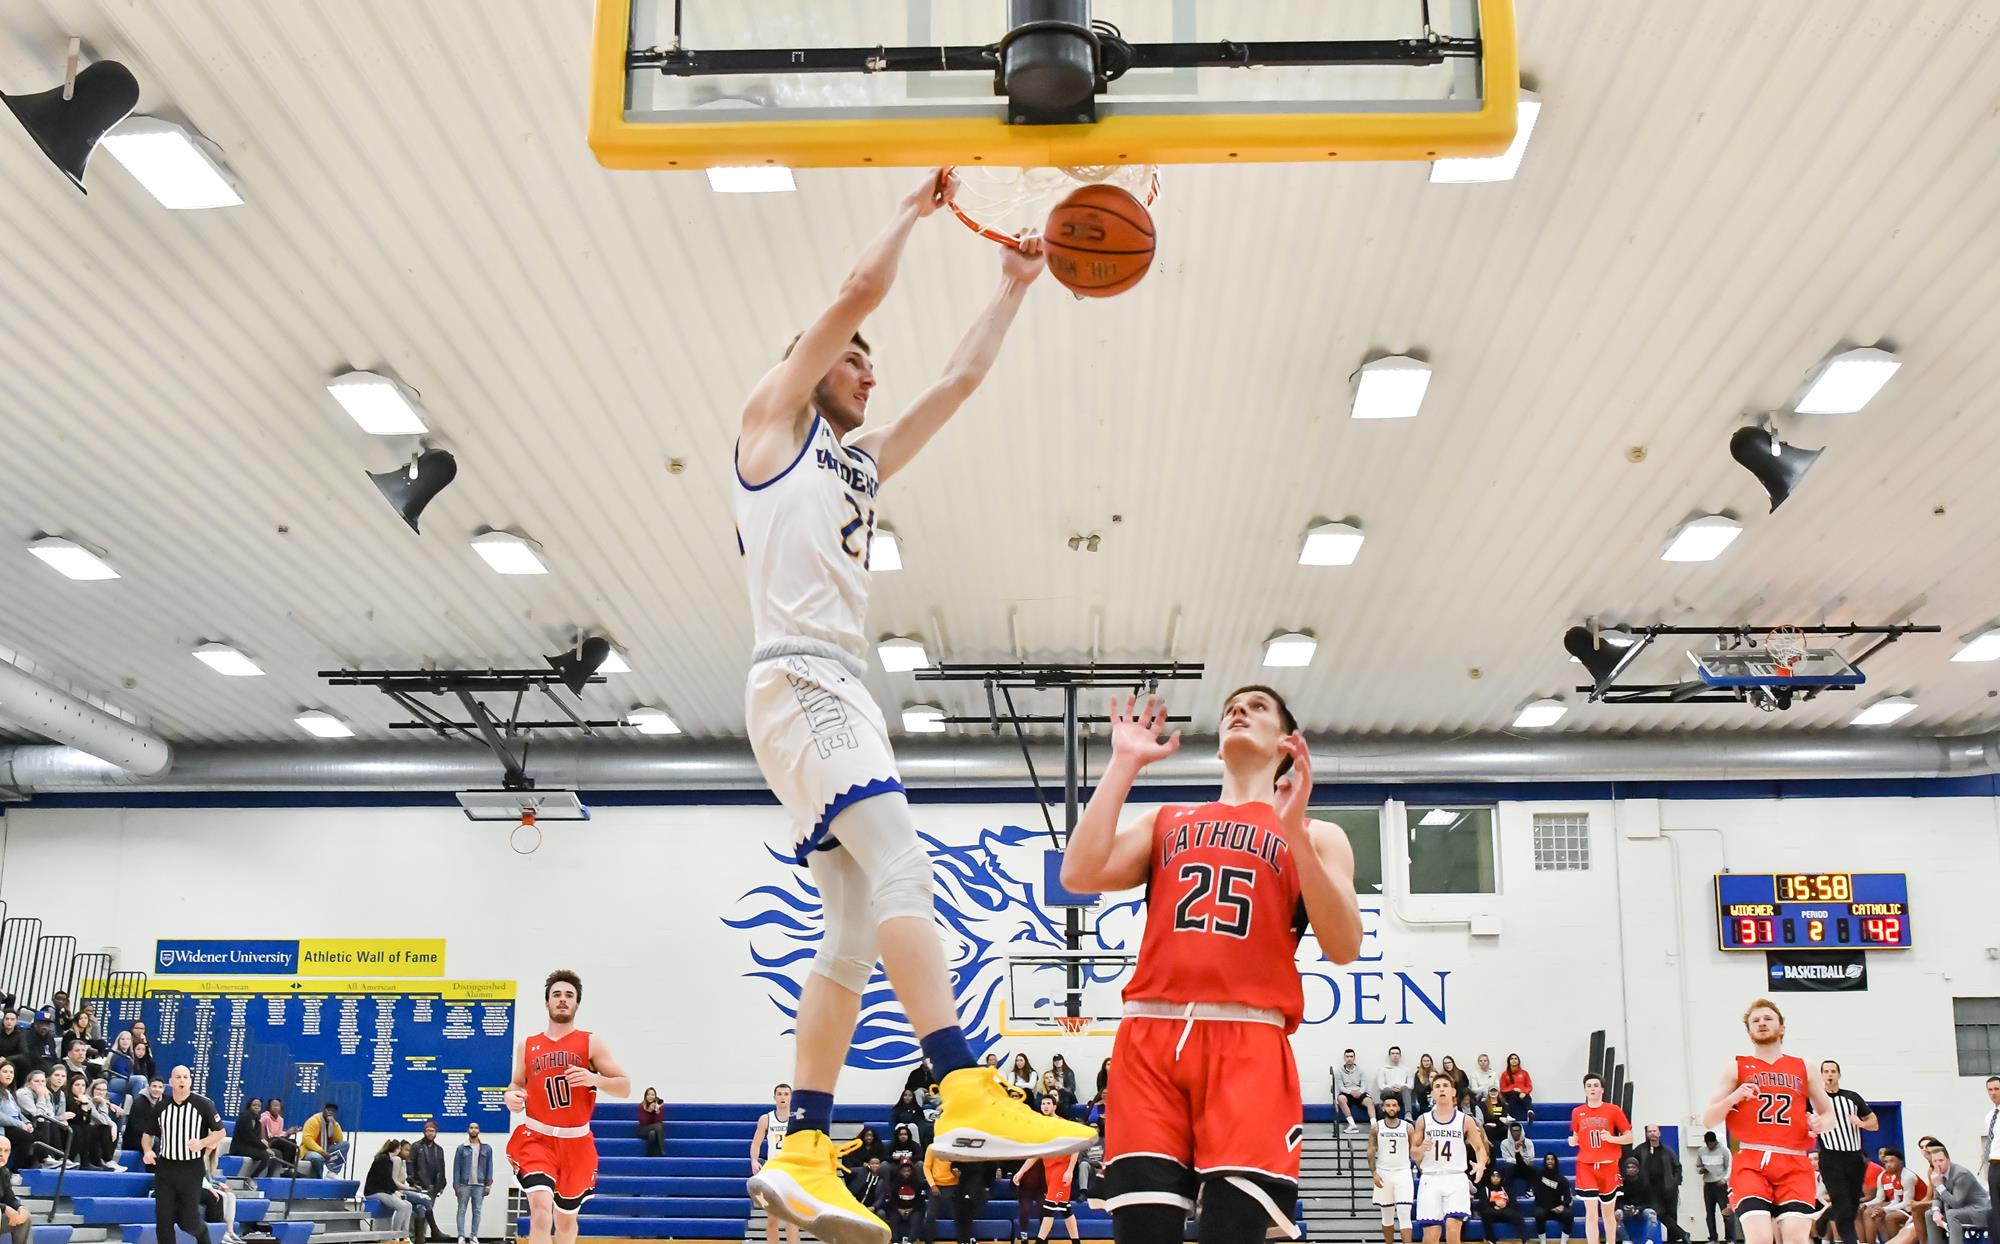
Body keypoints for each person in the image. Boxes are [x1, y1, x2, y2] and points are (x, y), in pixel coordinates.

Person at [734, 169, 1076, 1244]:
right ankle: (963, 1082)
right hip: (797, 672)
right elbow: (851, 292)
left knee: (845, 931)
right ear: (808, 364)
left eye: (869, 368)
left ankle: (802, 1144)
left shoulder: (858, 462)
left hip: (834, 684)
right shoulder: (768, 427)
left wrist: (1014, 287)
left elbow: (956, 382)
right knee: (900, 858)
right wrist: (906, 215)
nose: (868, 376)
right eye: (852, 359)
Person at [1062, 689, 1364, 1244]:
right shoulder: (1168, 819)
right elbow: (1078, 874)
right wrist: (1124, 763)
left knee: (1231, 1231)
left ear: (1287, 742)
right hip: (1150, 1036)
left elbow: (1344, 945)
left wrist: (1293, 833)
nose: (1238, 711)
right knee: (1143, 1232)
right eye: (1230, 707)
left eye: (1257, 706)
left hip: (1249, 1041)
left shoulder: (1319, 834)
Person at [505, 970, 630, 1244]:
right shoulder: (528, 1044)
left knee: (565, 1222)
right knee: (540, 1213)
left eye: (569, 995)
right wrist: (511, 1095)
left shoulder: (590, 1042)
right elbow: (516, 1083)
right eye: (557, 995)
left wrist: (594, 1078)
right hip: (536, 1138)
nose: (562, 1000)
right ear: (547, 1002)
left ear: (577, 1003)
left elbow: (625, 1086)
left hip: (576, 1143)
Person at [1701, 998, 1839, 1244]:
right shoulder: (1736, 1067)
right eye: (1755, 1020)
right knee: (1761, 1238)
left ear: (1782, 1027)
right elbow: (1708, 1119)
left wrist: (1820, 1123)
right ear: (1749, 1031)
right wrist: (1735, 1096)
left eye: (1767, 1019)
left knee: (1796, 1239)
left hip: (1794, 1161)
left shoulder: (1804, 1066)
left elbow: (1829, 1116)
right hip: (1753, 1160)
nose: (1762, 1023)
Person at [141, 1066, 226, 1244]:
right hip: (165, 1168)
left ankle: (203, 1234)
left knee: (188, 1221)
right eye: (178, 1077)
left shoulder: (204, 1104)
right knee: (163, 1220)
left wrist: (201, 1143)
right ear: (171, 1082)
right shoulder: (161, 1107)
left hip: (191, 1169)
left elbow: (220, 1132)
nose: (182, 1080)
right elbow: (147, 1135)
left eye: (186, 1077)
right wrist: (148, 1150)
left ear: (190, 1081)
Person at [1416, 1073, 1490, 1244]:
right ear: (1432, 1094)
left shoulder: (1465, 1120)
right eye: (1437, 1086)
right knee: (1431, 1234)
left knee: (1453, 1227)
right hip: (1431, 1177)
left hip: (1455, 1177)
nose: (1441, 1089)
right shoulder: (1423, 1120)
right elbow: (1413, 1151)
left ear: (1453, 1092)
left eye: (1445, 1086)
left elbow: (1480, 1147)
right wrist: (1420, 1149)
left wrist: (1480, 1164)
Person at [1571, 1073, 1637, 1244]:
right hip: (1586, 1166)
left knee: (1608, 1213)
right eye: (1589, 1086)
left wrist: (1612, 1139)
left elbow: (1629, 1137)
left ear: (1602, 1089)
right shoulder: (1578, 1112)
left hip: (1609, 1166)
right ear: (1585, 1090)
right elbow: (1576, 1136)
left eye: (1595, 1085)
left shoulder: (1613, 1110)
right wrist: (1573, 1140)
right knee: (1591, 1213)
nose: (1592, 1088)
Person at [1815, 1062, 1876, 1244]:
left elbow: (1875, 1122)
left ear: (1839, 1075)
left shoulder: (1852, 1097)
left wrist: (1861, 1123)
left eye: (1833, 1071)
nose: (1830, 1074)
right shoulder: (1815, 1099)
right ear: (1821, 1076)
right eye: (1826, 1071)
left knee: (1852, 1204)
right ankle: (1851, 1240)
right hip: (1830, 1157)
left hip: (1854, 1158)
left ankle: (1826, 1216)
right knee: (1842, 1205)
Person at [1014, 1103, 1080, 1244]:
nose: (1045, 1106)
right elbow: (1035, 1155)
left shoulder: (1063, 1124)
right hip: (1049, 1172)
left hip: (1061, 1171)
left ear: (1054, 1107)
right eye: (1043, 1103)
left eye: (1048, 1103)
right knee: (1065, 1208)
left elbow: (1076, 1146)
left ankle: (1040, 1241)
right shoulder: (1042, 1129)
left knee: (1049, 1209)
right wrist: (1021, 1171)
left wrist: (1070, 1170)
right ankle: (1076, 1242)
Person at [752, 1086, 802, 1244]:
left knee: (792, 1219)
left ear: (791, 1098)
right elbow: (756, 1143)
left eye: (786, 1094)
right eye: (779, 1094)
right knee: (773, 1219)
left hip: (792, 1172)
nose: (783, 1097)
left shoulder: (799, 1119)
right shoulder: (765, 1119)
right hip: (773, 1172)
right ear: (774, 1097)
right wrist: (754, 1160)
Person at [1371, 1094, 1417, 1244]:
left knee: (1404, 1212)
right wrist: (1374, 1173)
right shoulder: (1376, 1127)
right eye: (1388, 1105)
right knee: (1387, 1215)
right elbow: (1370, 1151)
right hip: (1384, 1172)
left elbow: (1415, 1150)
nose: (1391, 1108)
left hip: (1403, 1172)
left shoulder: (1408, 1127)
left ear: (1399, 1107)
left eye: (1394, 1105)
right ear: (1383, 1108)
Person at [1924, 1145, 1989, 1244]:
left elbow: (1956, 1203)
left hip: (1979, 1211)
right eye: (1935, 1161)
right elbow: (1937, 1198)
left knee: (1952, 1214)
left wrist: (1939, 1185)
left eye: (1941, 1160)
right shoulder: (1937, 1175)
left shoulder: (1961, 1174)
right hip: (1961, 1210)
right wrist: (1936, 1211)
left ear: (1948, 1160)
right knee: (1930, 1214)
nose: (1938, 1165)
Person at [1640, 1125, 1691, 1244]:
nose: (1652, 1133)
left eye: (1654, 1131)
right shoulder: (1641, 1150)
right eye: (1649, 1131)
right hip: (1651, 1190)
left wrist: (1675, 1182)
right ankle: (1683, 1234)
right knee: (1660, 1213)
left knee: (1672, 1216)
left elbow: (1678, 1167)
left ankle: (1673, 1240)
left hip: (1669, 1189)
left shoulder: (1668, 1151)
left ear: (1659, 1133)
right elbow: (1632, 1165)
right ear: (1646, 1134)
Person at [1864, 1148, 1923, 1244]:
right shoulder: (1895, 1177)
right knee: (1878, 1214)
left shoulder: (1907, 1177)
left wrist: (1885, 1209)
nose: (1888, 1165)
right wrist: (1882, 1209)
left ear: (1900, 1162)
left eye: (1892, 1161)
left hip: (1919, 1207)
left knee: (1890, 1217)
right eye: (1886, 1162)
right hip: (1908, 1207)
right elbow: (1896, 1200)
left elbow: (1907, 1203)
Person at [367, 1138, 415, 1239]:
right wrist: (394, 1192)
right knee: (401, 1206)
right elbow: (385, 1180)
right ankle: (395, 1235)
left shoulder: (387, 1159)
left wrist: (394, 1192)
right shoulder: (384, 1160)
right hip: (374, 1191)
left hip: (382, 1190)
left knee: (408, 1205)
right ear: (397, 1149)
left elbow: (387, 1181)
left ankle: (404, 1235)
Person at [454, 1122, 494, 1244]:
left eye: (476, 1128)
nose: (473, 1130)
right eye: (471, 1128)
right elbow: (456, 1168)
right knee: (461, 1210)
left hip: (480, 1185)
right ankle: (461, 1235)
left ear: (479, 1130)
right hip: (464, 1184)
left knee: (477, 1210)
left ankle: (473, 1236)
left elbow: (489, 1167)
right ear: (468, 1130)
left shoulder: (487, 1148)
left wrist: (488, 1184)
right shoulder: (461, 1148)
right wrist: (456, 1186)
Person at [392, 1140, 436, 1244]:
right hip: (397, 1192)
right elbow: (394, 1182)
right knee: (426, 1199)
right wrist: (410, 1189)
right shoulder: (396, 1160)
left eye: (410, 1150)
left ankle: (418, 1240)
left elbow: (403, 1179)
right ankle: (435, 1230)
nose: (409, 1152)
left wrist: (413, 1185)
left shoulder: (403, 1162)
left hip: (403, 1190)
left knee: (421, 1208)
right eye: (406, 1150)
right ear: (399, 1149)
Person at [879, 1154, 927, 1244]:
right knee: (893, 1217)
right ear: (900, 1171)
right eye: (904, 1171)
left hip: (913, 1209)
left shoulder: (918, 1183)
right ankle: (895, 1240)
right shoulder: (894, 1183)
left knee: (917, 1217)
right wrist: (899, 1209)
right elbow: (892, 1200)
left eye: (908, 1171)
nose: (906, 1173)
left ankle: (910, 1241)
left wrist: (911, 1210)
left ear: (912, 1171)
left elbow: (920, 1201)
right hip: (898, 1209)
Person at [412, 1120, 448, 1240]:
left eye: (432, 1131)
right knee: (418, 1213)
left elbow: (442, 1168)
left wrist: (442, 1185)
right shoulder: (416, 1146)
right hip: (419, 1186)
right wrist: (412, 1182)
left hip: (433, 1187)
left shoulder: (439, 1149)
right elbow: (410, 1165)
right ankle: (414, 1238)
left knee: (428, 1214)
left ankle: (422, 1239)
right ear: (424, 1132)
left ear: (436, 1133)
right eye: (428, 1131)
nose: (430, 1133)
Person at [1698, 1132, 1734, 1243]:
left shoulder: (1724, 1150)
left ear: (1715, 1141)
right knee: (1709, 1213)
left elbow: (1729, 1167)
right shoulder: (1701, 1151)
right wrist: (1702, 1170)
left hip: (1721, 1185)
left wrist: (1724, 1179)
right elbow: (1698, 1167)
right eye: (1708, 1144)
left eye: (1712, 1144)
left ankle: (1730, 1239)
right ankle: (1713, 1238)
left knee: (1726, 1213)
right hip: (1708, 1185)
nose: (1710, 1146)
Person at [1478, 1167, 1532, 1241]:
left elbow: (1513, 1202)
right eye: (1493, 1176)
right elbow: (1483, 1204)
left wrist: (1505, 1205)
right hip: (1492, 1212)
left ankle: (1524, 1239)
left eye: (1498, 1177)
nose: (1495, 1178)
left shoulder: (1507, 1189)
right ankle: (1491, 1240)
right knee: (1485, 1213)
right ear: (1490, 1177)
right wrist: (1494, 1206)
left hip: (1505, 1211)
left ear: (1501, 1178)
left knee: (1517, 1214)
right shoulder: (1485, 1190)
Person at [1978, 1076, 2000, 1244]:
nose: (1993, 1093)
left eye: (1997, 1089)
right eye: (1990, 1090)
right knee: (1996, 1209)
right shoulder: (1989, 1116)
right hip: (1994, 1164)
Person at [1533, 1154, 1574, 1241]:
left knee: (1569, 1214)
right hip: (1544, 1208)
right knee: (1538, 1213)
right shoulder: (1539, 1175)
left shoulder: (1562, 1180)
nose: (1550, 1161)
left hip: (1558, 1209)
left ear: (1555, 1162)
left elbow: (1568, 1198)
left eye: (1552, 1159)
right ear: (1545, 1161)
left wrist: (1562, 1206)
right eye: (1548, 1159)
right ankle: (1543, 1240)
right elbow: (1537, 1195)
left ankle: (1563, 1241)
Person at [300, 1102, 347, 1177]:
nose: (330, 1112)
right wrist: (321, 1151)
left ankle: (332, 1173)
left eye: (333, 1111)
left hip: (327, 1150)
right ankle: (319, 1178)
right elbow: (307, 1139)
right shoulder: (314, 1120)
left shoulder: (334, 1123)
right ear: (324, 1110)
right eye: (328, 1110)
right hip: (311, 1150)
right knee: (317, 1157)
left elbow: (339, 1140)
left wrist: (334, 1124)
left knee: (345, 1144)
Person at [1337, 1049, 1377, 1134]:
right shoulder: (1339, 1071)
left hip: (1360, 1092)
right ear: (1344, 1058)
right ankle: (1352, 1125)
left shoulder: (1361, 1070)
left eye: (1351, 1056)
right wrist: (1350, 1092)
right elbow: (1341, 1087)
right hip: (1347, 1093)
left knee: (1369, 1101)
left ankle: (1374, 1126)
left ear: (1354, 1058)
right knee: (1340, 1098)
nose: (1349, 1058)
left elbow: (1364, 1084)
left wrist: (1360, 1092)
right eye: (1347, 1056)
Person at [231, 1098, 272, 1179]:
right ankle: (252, 1178)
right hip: (240, 1147)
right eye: (254, 1105)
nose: (257, 1107)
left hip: (249, 1147)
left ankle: (268, 1177)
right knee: (265, 1155)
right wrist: (264, 1147)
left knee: (276, 1153)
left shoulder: (257, 1121)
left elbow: (256, 1138)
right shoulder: (245, 1117)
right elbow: (249, 1137)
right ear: (249, 1106)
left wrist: (264, 1146)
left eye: (259, 1106)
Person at [0, 1137, 29, 1244]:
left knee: (24, 1217)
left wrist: (20, 1208)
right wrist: (4, 1208)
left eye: (6, 1151)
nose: (2, 1154)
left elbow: (9, 1198)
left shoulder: (4, 1171)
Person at [124, 1078, 164, 1153]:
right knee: (156, 1141)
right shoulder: (139, 1102)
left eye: (160, 1087)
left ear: (163, 1089)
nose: (157, 1090)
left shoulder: (164, 1102)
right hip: (135, 1139)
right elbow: (137, 1128)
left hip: (154, 1134)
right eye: (154, 1086)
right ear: (148, 1088)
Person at [261, 1098, 299, 1172]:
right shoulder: (264, 1118)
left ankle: (290, 1168)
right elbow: (266, 1136)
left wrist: (288, 1134)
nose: (276, 1108)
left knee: (292, 1142)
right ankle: (284, 1168)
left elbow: (280, 1136)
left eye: (278, 1106)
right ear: (269, 1107)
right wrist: (286, 1134)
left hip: (278, 1140)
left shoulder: (281, 1120)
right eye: (274, 1106)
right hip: (268, 1141)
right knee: (284, 1143)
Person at [1380, 1047, 1415, 1118]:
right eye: (1393, 1053)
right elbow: (1381, 1086)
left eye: (1397, 1053)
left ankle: (1408, 1114)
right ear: (1389, 1056)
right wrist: (1391, 1087)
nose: (1395, 1055)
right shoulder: (1383, 1069)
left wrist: (1400, 1087)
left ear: (1400, 1056)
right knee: (1386, 1089)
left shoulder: (1406, 1069)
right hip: (1388, 1093)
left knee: (1405, 1088)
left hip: (1401, 1094)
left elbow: (1411, 1085)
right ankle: (1386, 1114)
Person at [1501, 1055, 1535, 1123]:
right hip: (1510, 1096)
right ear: (1509, 1061)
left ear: (1518, 1061)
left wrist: (1524, 1092)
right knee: (1514, 1093)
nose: (1514, 1060)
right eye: (1512, 1059)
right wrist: (1513, 1089)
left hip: (1522, 1095)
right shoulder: (1505, 1074)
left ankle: (1530, 1112)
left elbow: (1529, 1086)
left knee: (1527, 1096)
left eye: (1515, 1059)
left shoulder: (1524, 1073)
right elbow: (1502, 1088)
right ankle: (1508, 1114)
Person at [637, 1088, 665, 1157]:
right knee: (658, 1126)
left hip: (654, 1130)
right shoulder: (641, 1106)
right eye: (648, 1094)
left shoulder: (658, 1106)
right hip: (643, 1130)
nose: (650, 1096)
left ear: (655, 1096)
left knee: (652, 1134)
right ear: (645, 1096)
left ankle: (649, 1154)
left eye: (652, 1095)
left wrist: (657, 1111)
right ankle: (661, 1150)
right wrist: (648, 1111)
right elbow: (643, 1122)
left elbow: (659, 1121)